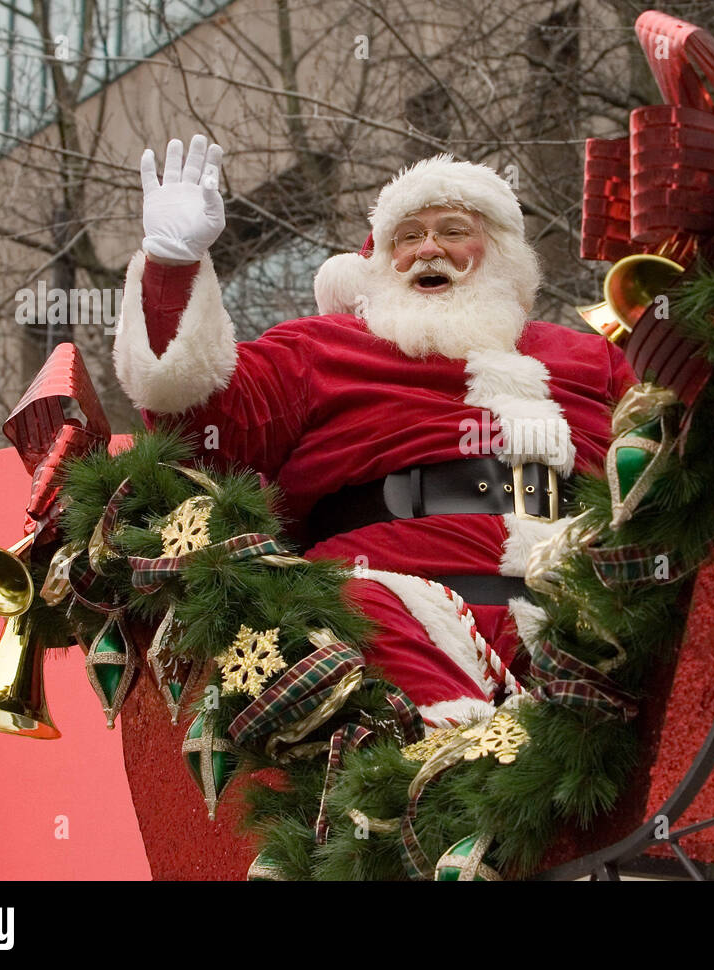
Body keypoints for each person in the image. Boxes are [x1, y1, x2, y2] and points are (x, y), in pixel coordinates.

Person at [114, 134, 634, 728]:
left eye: (452, 230)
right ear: (382, 266)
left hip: (586, 604)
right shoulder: (322, 348)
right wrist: (173, 266)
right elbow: (199, 412)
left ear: (500, 251)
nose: (427, 249)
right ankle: (445, 765)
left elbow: (670, 448)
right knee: (351, 617)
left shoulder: (589, 358)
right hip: (388, 601)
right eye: (407, 237)